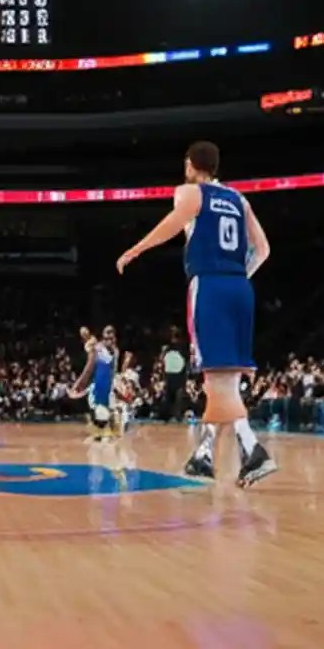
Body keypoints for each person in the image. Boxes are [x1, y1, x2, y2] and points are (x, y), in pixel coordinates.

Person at [116, 141, 278, 487]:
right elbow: (263, 249)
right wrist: (237, 277)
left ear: (191, 165)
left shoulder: (191, 192)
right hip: (240, 288)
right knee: (224, 379)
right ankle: (204, 455)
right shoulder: (239, 199)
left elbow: (173, 223)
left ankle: (254, 452)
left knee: (217, 379)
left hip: (210, 284)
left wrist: (136, 249)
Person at [71, 325, 118, 441]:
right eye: (107, 334)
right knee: (97, 411)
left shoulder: (115, 351)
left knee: (110, 413)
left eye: (111, 334)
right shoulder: (97, 349)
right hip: (98, 385)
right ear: (103, 336)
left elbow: (113, 370)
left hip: (109, 386)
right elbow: (89, 368)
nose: (109, 337)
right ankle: (98, 435)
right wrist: (78, 384)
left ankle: (107, 435)